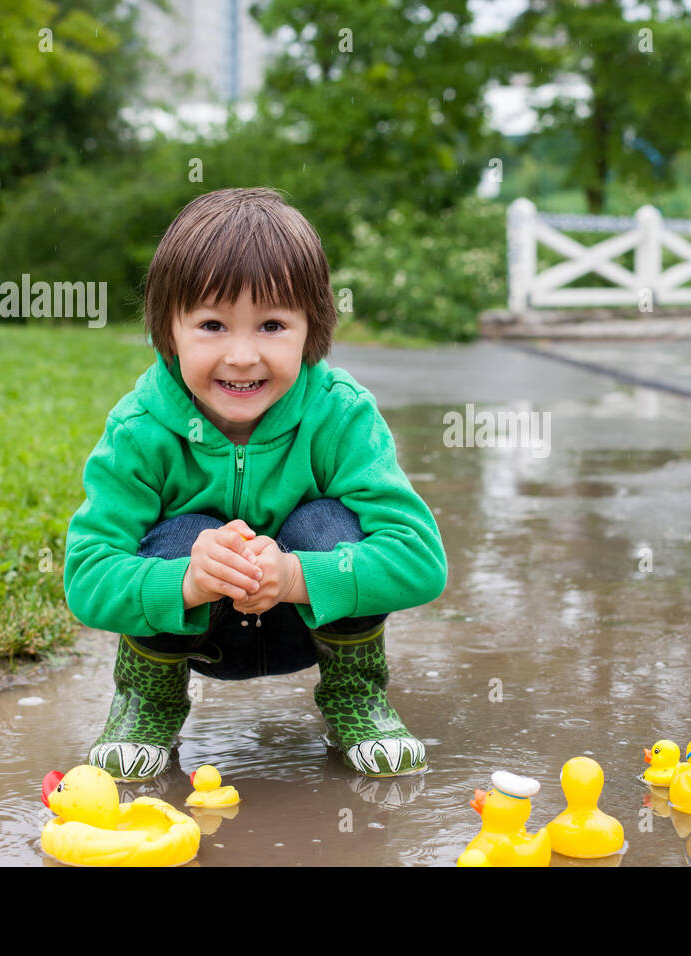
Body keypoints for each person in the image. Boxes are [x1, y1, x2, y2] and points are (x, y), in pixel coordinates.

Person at [63, 187, 447, 781]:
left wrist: (296, 575)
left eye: (271, 324)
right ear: (168, 329)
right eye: (212, 324)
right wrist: (185, 579)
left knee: (326, 524)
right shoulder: (140, 430)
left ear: (310, 329)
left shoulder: (341, 416)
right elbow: (87, 576)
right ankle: (146, 704)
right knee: (185, 534)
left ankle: (356, 698)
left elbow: (421, 561)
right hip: (199, 630)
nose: (242, 356)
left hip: (306, 622)